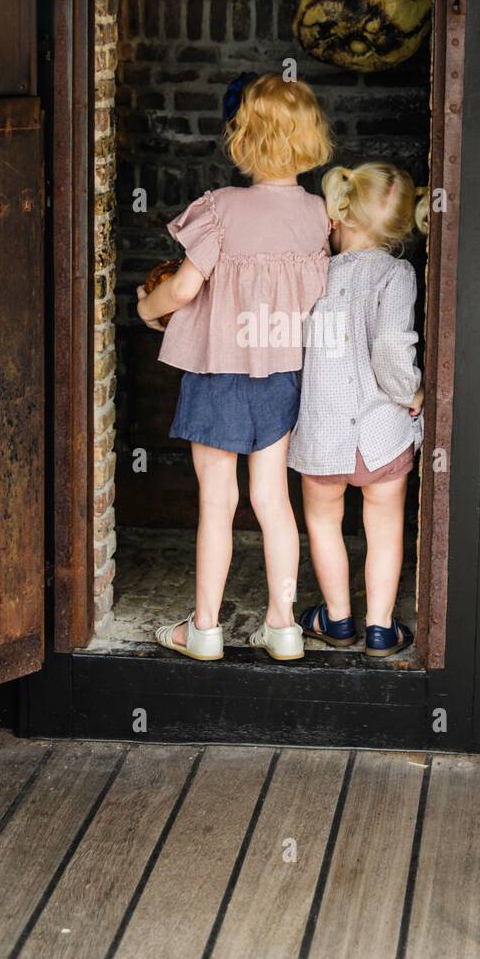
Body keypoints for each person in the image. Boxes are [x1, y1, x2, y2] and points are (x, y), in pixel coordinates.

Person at [138, 74, 333, 662]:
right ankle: (283, 626)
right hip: (283, 377)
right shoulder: (319, 215)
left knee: (217, 502)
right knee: (274, 500)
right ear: (309, 140)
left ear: (240, 139)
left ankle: (203, 629)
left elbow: (186, 287)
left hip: (219, 372)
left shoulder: (220, 210)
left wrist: (148, 308)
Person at [289, 162, 427, 657]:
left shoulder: (312, 272)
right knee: (385, 527)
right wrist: (412, 392)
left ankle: (338, 620)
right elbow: (391, 350)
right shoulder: (396, 274)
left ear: (340, 211)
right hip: (381, 432)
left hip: (322, 433)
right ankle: (380, 628)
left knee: (324, 523)